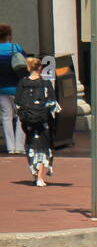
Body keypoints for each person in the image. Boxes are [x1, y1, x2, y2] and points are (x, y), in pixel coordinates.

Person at [15, 57, 57, 187]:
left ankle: (34, 173)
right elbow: (52, 103)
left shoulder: (22, 82)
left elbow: (17, 103)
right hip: (43, 121)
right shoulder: (45, 83)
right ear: (40, 68)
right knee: (44, 147)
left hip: (28, 122)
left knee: (31, 145)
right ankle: (40, 177)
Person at [0, 25, 27, 154]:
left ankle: (10, 147)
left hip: (1, 89)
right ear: (9, 36)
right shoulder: (16, 48)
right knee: (21, 115)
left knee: (6, 116)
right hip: (17, 88)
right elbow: (25, 64)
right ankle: (19, 146)